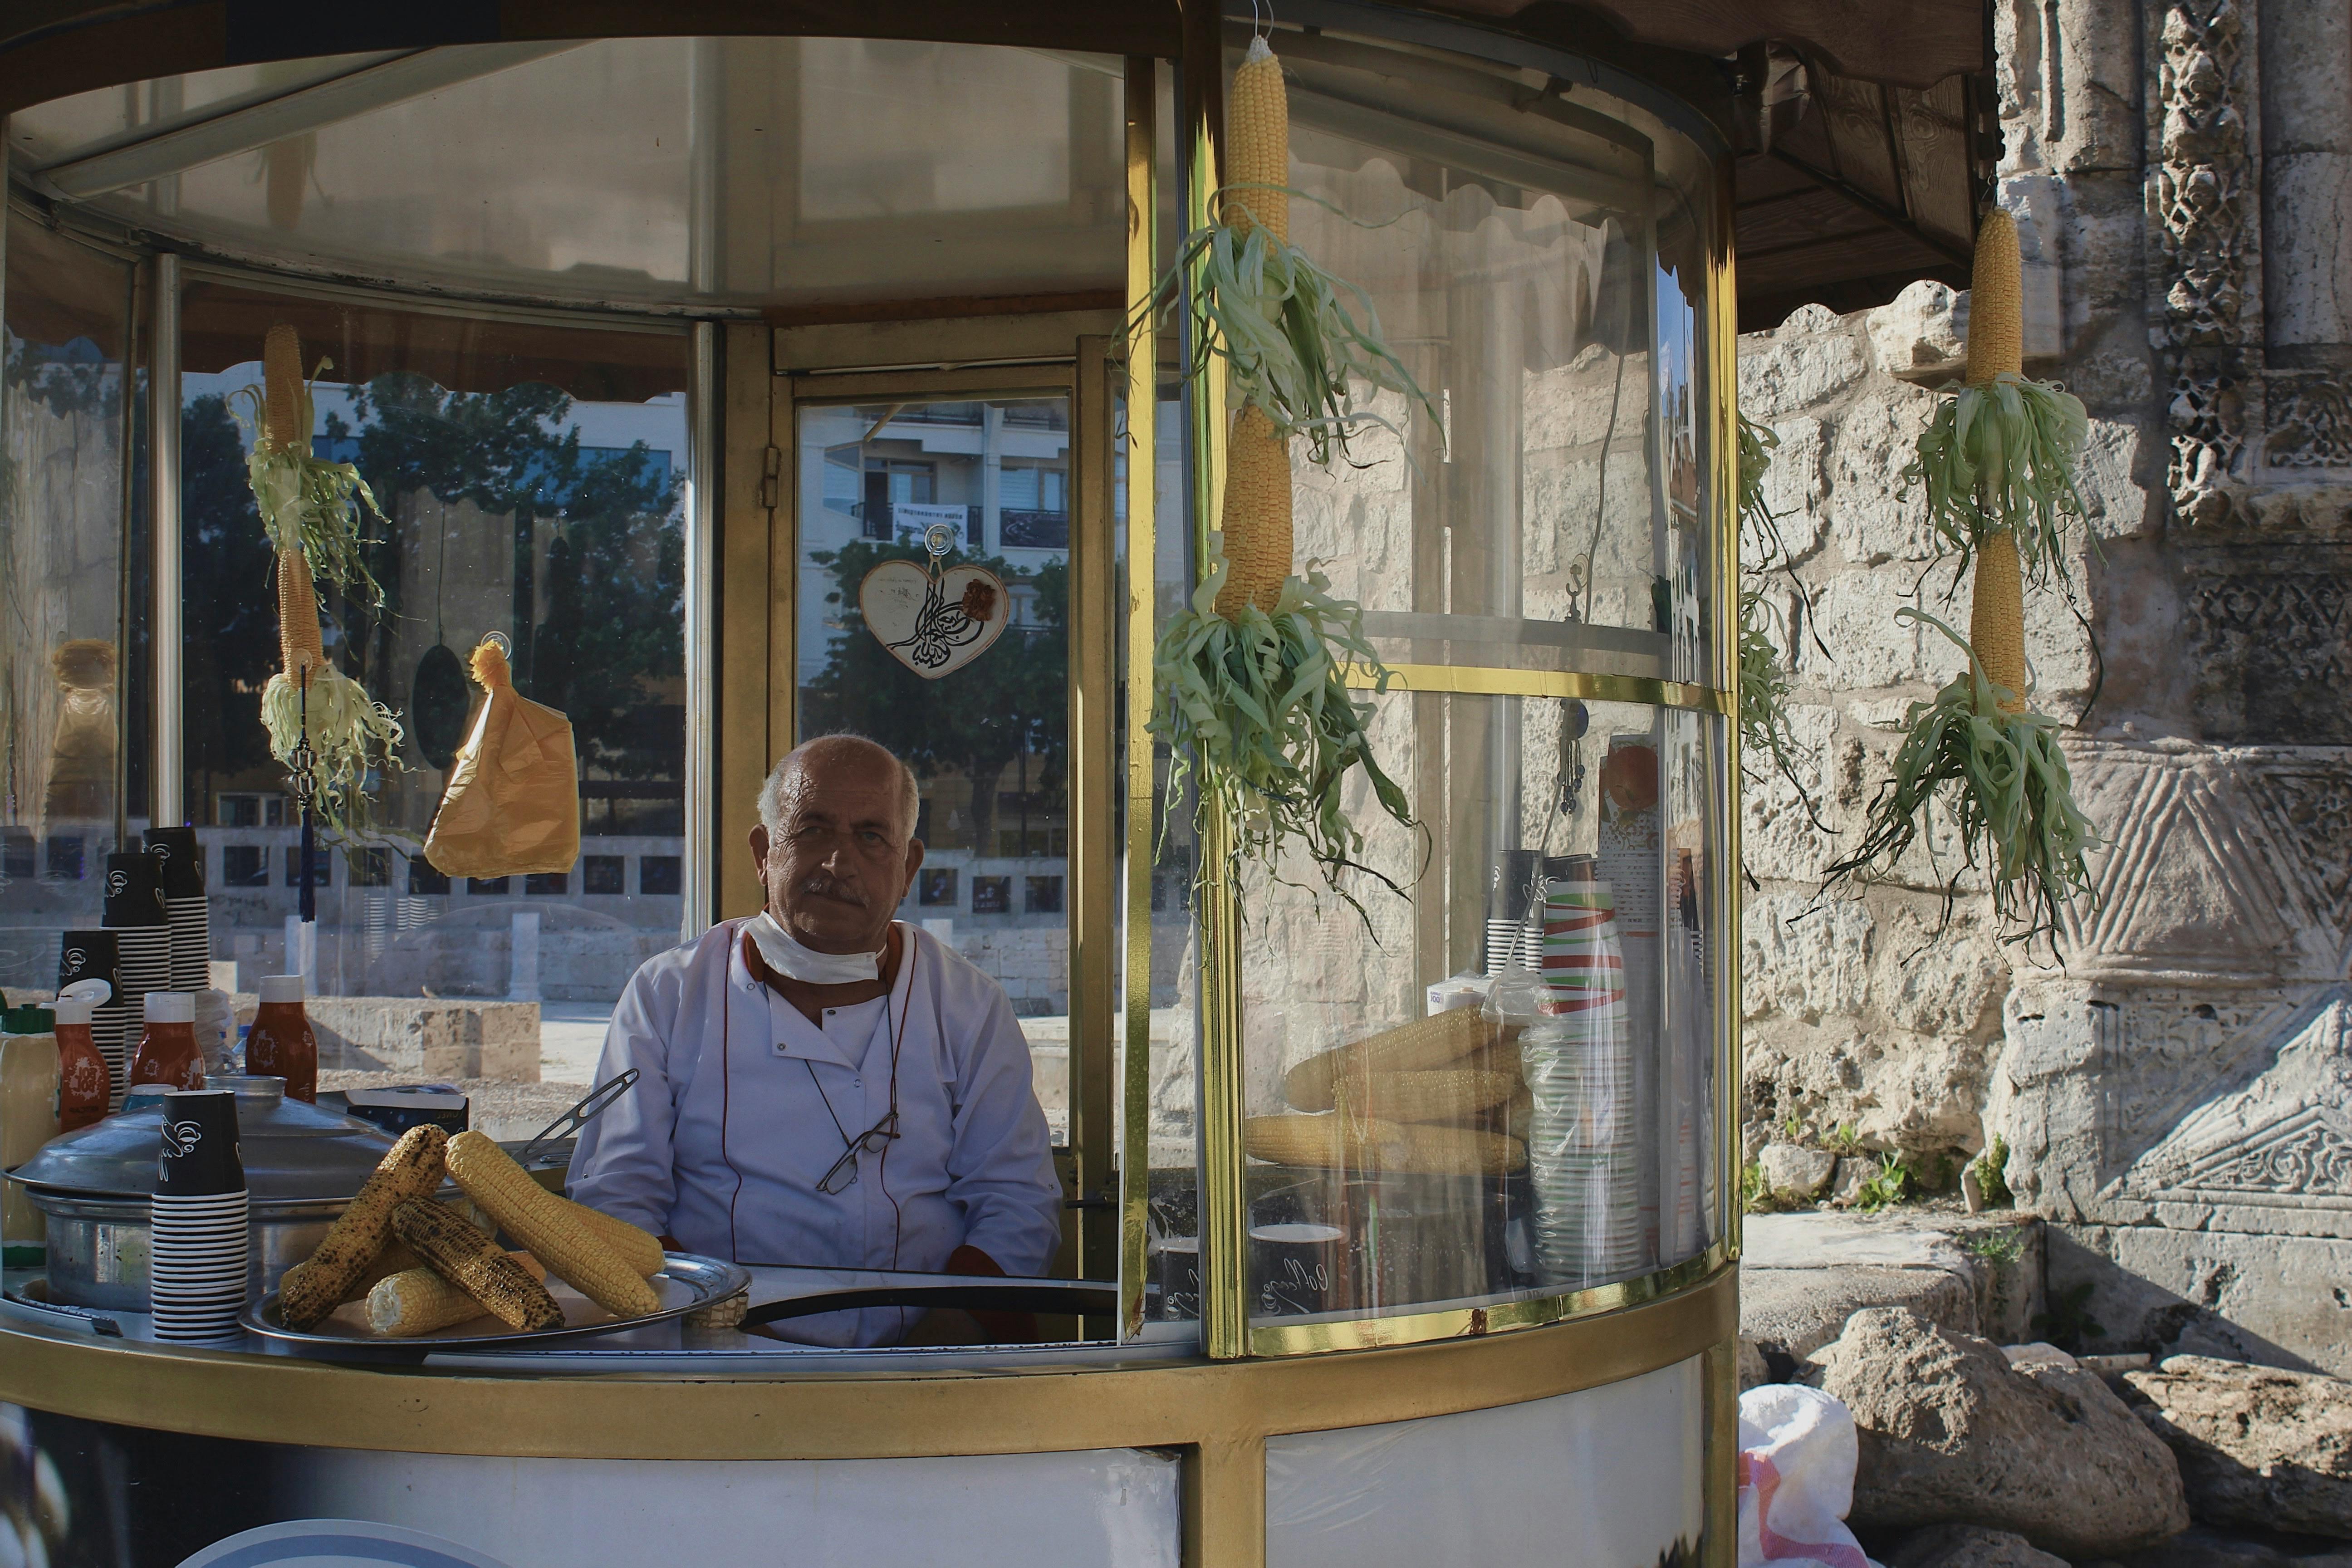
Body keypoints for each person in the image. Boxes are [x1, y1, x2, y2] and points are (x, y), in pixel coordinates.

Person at [569, 734, 1062, 1346]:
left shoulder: (968, 1007)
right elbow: (616, 1200)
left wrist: (931, 1347)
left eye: (871, 837)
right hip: (710, 1357)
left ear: (909, 867)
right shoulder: (670, 995)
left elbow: (1017, 1205)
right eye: (812, 831)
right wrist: (700, 1330)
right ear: (762, 852)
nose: (838, 862)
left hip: (924, 1364)